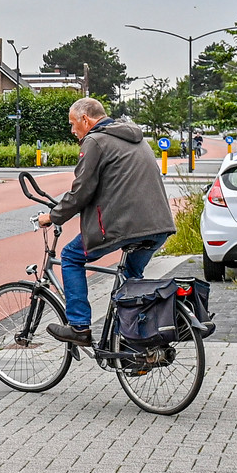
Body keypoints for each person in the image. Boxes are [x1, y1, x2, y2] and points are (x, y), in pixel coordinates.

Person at [37, 97, 176, 345]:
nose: (72, 131)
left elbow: (81, 191)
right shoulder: (136, 138)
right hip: (159, 225)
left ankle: (79, 327)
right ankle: (137, 345)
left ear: (85, 119)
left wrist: (53, 216)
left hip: (125, 225)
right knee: (132, 279)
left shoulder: (95, 141)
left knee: (70, 257)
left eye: (72, 124)